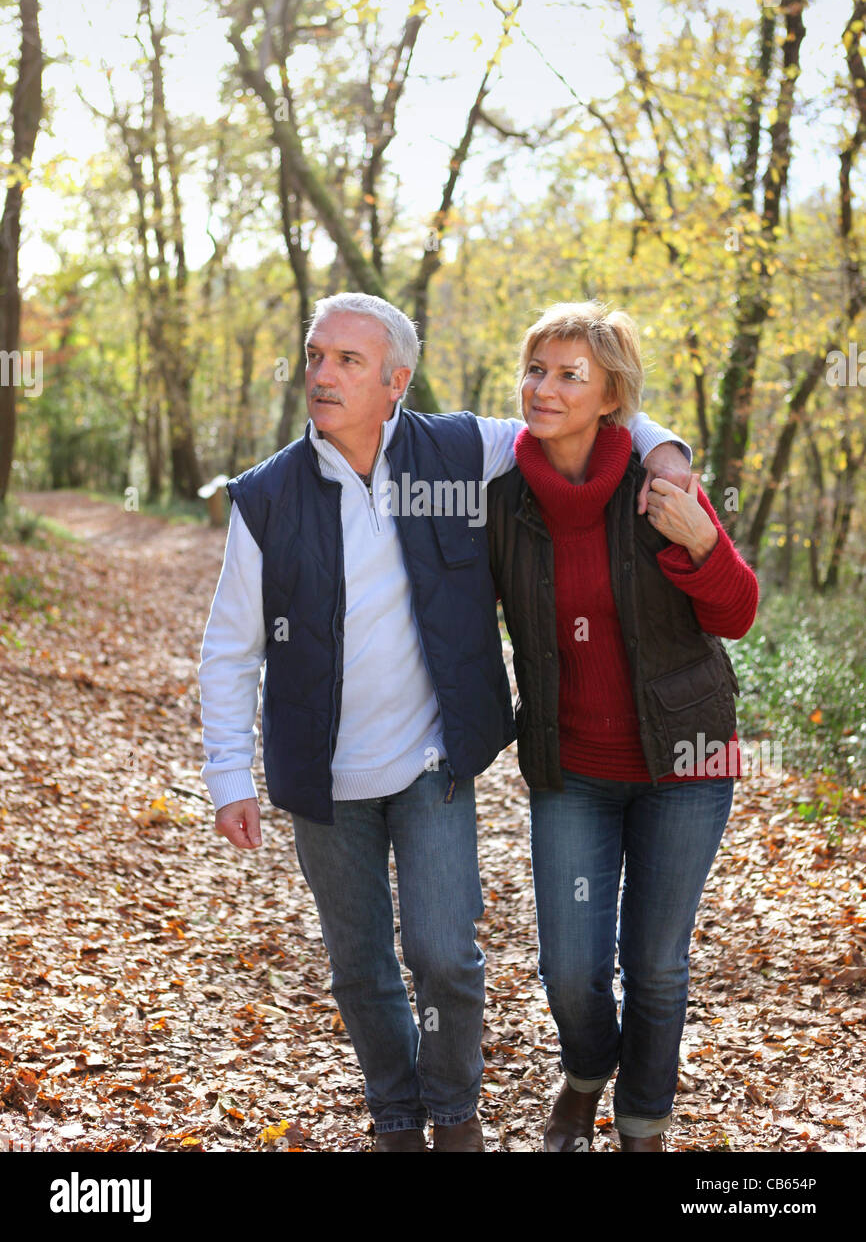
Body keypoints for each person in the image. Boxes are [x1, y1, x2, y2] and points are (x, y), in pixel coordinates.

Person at [198, 291, 692, 1152]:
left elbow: (572, 414)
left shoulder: (457, 449)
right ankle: (398, 1120)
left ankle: (455, 1115)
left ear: (397, 380)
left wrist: (669, 450)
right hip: (320, 775)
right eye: (315, 356)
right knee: (360, 967)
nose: (322, 374)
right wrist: (229, 777)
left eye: (348, 361)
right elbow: (230, 651)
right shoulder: (267, 498)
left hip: (431, 760)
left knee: (445, 955)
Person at [486, 300, 758, 1153]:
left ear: (613, 399)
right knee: (570, 972)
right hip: (574, 767)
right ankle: (585, 1071)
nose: (546, 388)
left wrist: (705, 547)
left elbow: (739, 612)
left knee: (657, 966)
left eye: (571, 375)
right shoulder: (502, 498)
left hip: (685, 758)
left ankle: (643, 1124)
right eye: (537, 369)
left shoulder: (661, 486)